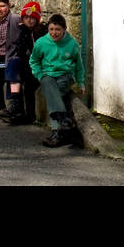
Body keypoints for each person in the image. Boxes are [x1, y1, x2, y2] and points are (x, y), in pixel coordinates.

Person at [28, 13, 86, 147]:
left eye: (58, 30)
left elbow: (78, 65)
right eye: (51, 30)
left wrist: (81, 82)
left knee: (53, 93)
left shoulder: (71, 44)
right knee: (48, 83)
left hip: (65, 76)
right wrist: (39, 74)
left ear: (64, 29)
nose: (54, 33)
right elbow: (34, 61)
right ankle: (66, 125)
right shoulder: (41, 43)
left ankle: (57, 132)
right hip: (47, 75)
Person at [0, 1, 46, 124]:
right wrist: (24, 33)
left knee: (28, 82)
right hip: (28, 64)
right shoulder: (24, 31)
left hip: (40, 66)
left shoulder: (41, 32)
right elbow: (20, 51)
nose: (29, 21)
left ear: (37, 19)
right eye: (26, 18)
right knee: (13, 64)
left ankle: (24, 113)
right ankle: (15, 105)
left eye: (32, 18)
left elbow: (39, 53)